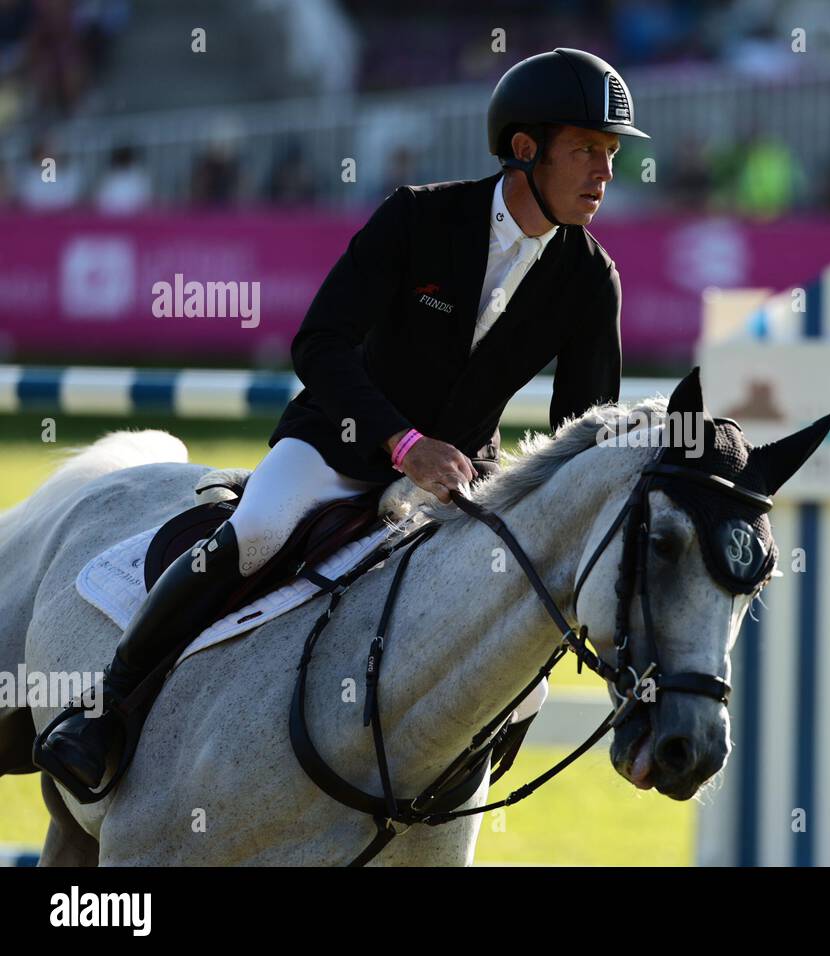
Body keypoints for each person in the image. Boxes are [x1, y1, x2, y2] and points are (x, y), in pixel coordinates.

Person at [35, 47, 649, 796]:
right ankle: (103, 712)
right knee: (257, 530)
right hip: (341, 439)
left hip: (458, 479)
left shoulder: (591, 278)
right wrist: (405, 442)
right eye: (587, 149)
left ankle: (429, 802)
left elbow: (585, 426)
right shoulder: (419, 216)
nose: (605, 173)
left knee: (527, 684)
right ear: (526, 149)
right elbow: (318, 343)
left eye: (612, 154)